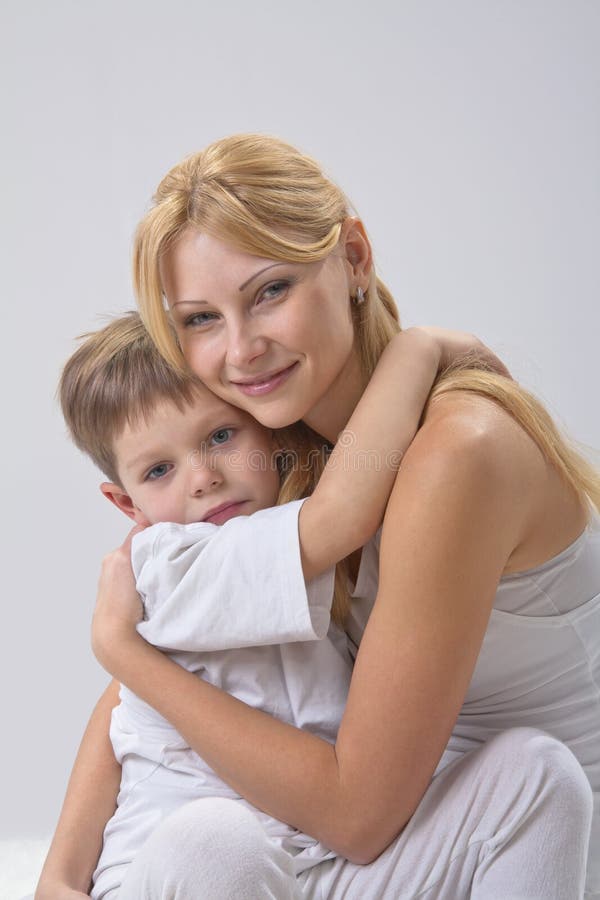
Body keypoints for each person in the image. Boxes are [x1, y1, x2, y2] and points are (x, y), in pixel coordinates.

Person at [37, 133, 599, 898]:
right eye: (200, 319)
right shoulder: (288, 453)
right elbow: (191, 665)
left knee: (535, 772)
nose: (242, 349)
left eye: (270, 291)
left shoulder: (453, 453)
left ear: (354, 258)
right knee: (213, 845)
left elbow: (357, 815)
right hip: (375, 842)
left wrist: (419, 348)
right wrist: (63, 872)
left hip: (486, 851)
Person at [53, 310, 448, 897]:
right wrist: (420, 349)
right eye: (159, 470)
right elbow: (343, 513)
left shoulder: (289, 551)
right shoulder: (162, 563)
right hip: (179, 870)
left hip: (309, 861)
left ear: (270, 433)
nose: (202, 478)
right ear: (127, 505)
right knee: (221, 841)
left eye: (220, 436)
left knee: (531, 770)